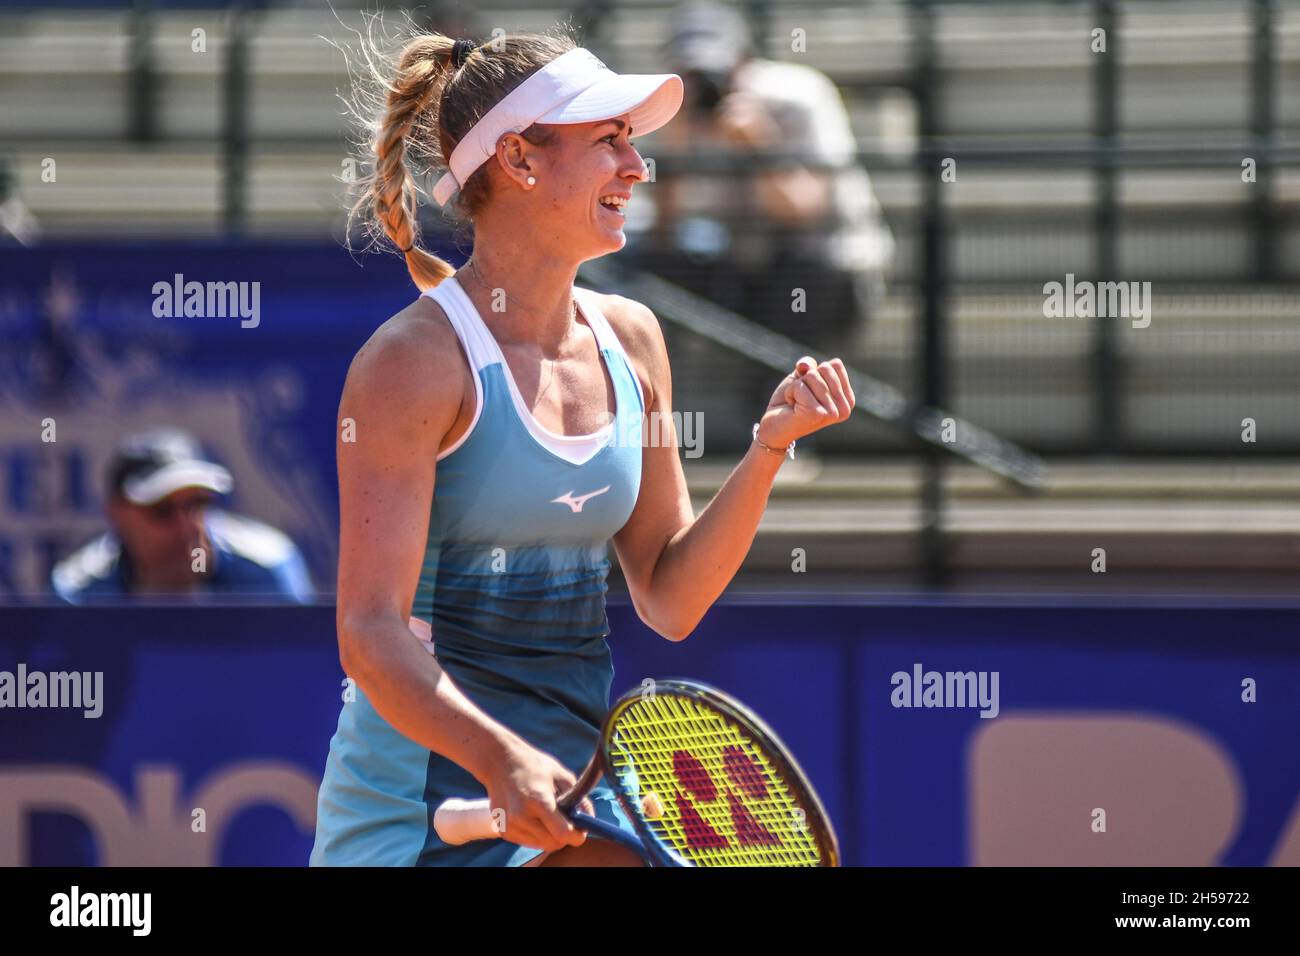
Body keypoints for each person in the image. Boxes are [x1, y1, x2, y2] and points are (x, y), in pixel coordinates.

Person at [310, 25, 855, 867]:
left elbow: (670, 598)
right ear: (519, 160)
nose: (637, 168)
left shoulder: (633, 340)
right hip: (416, 809)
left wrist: (769, 448)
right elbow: (370, 633)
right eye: (608, 141)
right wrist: (502, 760)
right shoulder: (412, 364)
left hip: (567, 796)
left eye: (631, 141)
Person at [636, 1, 894, 355]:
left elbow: (803, 211)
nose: (706, 86)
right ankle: (653, 380)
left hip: (824, 267)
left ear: (744, 62)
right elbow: (664, 231)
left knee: (797, 281)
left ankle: (788, 384)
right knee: (649, 266)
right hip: (741, 267)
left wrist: (759, 146)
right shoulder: (673, 109)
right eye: (691, 74)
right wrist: (676, 150)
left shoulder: (799, 96)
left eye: (716, 71)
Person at [51, 428, 314, 603]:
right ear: (117, 515)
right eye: (162, 509)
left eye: (197, 504)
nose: (187, 526)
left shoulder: (269, 569)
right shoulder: (75, 593)